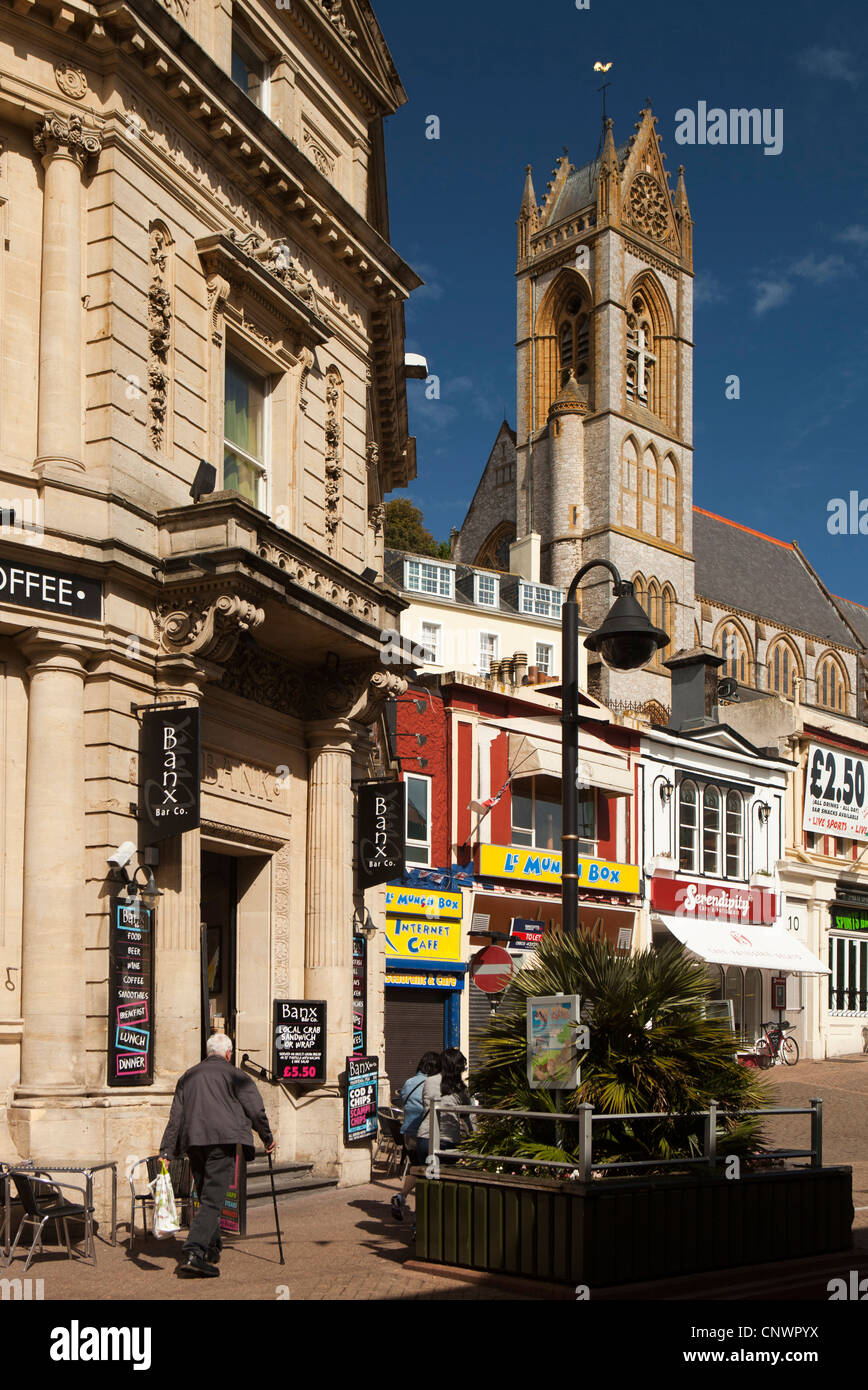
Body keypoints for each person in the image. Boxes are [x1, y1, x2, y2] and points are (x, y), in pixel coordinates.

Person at [159, 1032, 275, 1278]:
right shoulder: (236, 1075)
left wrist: (167, 1149)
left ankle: (211, 1246)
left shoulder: (188, 1076)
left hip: (194, 1142)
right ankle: (193, 1251)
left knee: (205, 1194)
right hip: (223, 1140)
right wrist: (267, 1137)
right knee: (213, 1199)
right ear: (229, 1054)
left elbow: (175, 1117)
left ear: (209, 1052)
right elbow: (255, 1110)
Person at [390, 1051, 440, 1222]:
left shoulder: (409, 1081)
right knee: (427, 1171)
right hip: (425, 1134)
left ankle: (401, 1196)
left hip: (408, 1132)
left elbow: (402, 1101)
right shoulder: (433, 1084)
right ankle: (421, 1217)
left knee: (415, 1166)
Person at [414, 1048, 472, 1167]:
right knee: (444, 1178)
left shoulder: (429, 1081)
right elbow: (468, 1117)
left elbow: (425, 1105)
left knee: (426, 1177)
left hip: (425, 1138)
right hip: (448, 1141)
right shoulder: (461, 1088)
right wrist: (473, 1137)